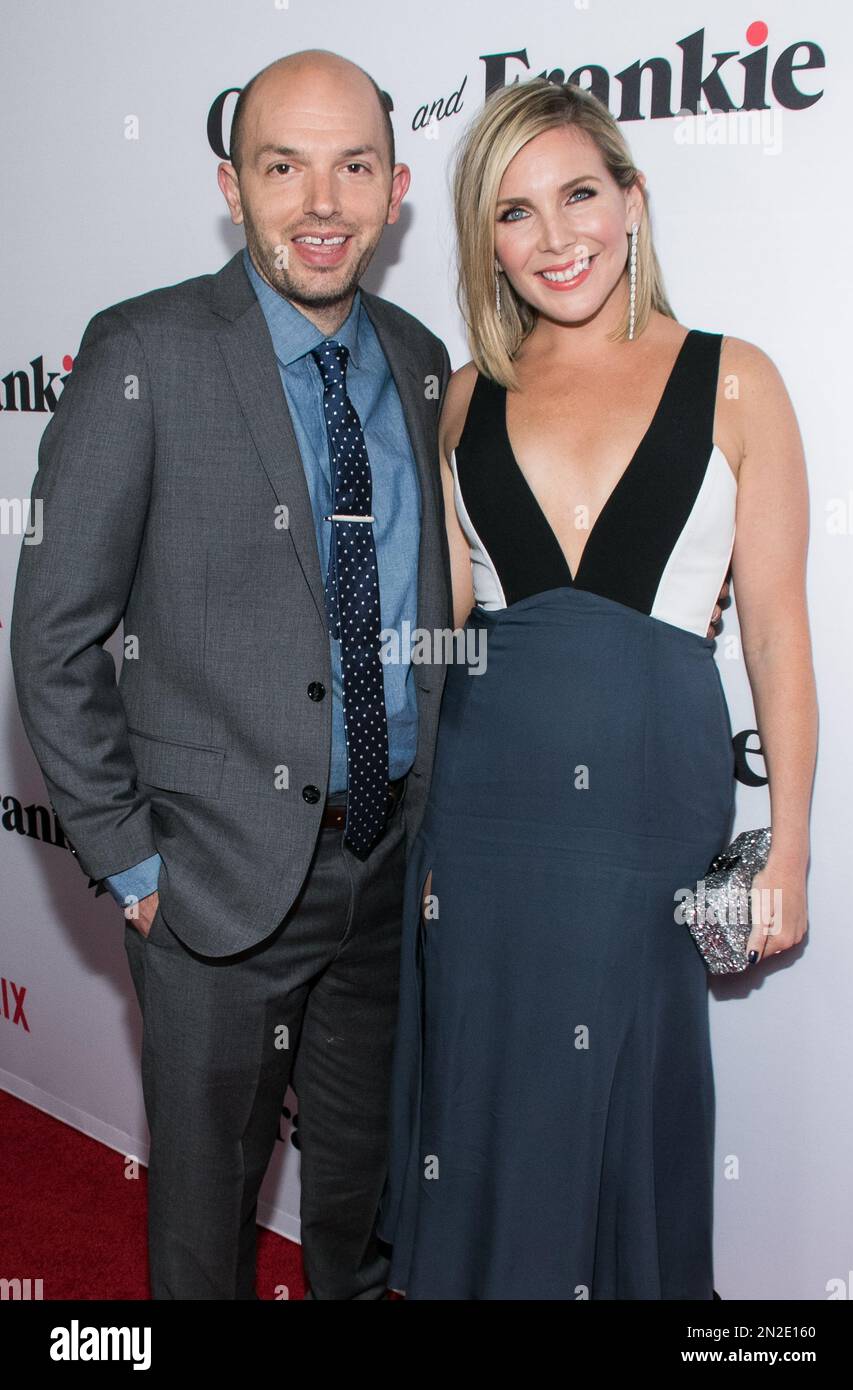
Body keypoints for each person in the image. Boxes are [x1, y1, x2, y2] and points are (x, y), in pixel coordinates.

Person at [9, 48, 455, 1300]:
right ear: (231, 184)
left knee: (360, 1210)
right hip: (210, 887)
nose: (321, 201)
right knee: (203, 1230)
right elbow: (51, 634)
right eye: (282, 166)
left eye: (351, 165)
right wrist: (132, 858)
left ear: (395, 185)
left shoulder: (422, 362)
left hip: (386, 868)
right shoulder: (145, 350)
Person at [377, 78, 816, 1300]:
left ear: (631, 198)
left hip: (643, 807)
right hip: (480, 816)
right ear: (485, 242)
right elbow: (447, 631)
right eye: (515, 213)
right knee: (485, 1093)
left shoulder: (737, 379)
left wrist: (786, 849)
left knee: (627, 1093)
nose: (554, 236)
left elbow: (774, 633)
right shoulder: (466, 395)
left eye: (578, 193)